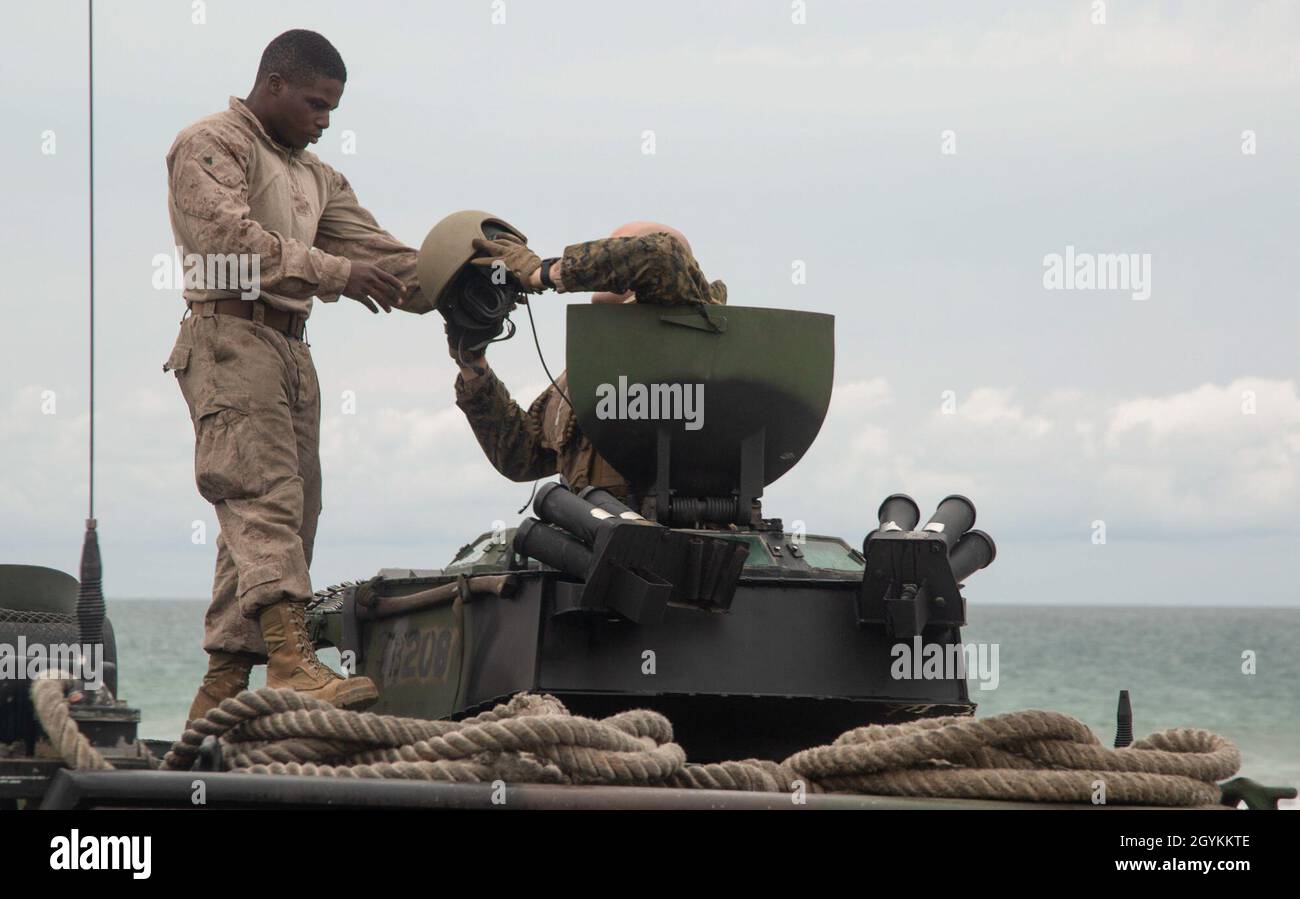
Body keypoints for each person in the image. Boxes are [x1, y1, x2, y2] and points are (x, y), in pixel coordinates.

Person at [162, 30, 428, 724]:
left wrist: (481, 273)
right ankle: (291, 663)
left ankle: (217, 697)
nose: (325, 121)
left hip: (289, 348)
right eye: (316, 103)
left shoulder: (316, 177)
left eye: (333, 109)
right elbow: (227, 240)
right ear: (274, 84)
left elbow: (382, 254)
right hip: (228, 338)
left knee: (282, 517)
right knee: (265, 499)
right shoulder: (212, 144)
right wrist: (339, 274)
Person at [440, 220, 726, 499]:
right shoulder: (596, 360)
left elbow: (662, 254)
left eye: (615, 252)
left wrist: (541, 272)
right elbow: (521, 457)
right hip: (596, 534)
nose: (603, 265)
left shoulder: (688, 328)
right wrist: (472, 364)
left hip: (666, 533)